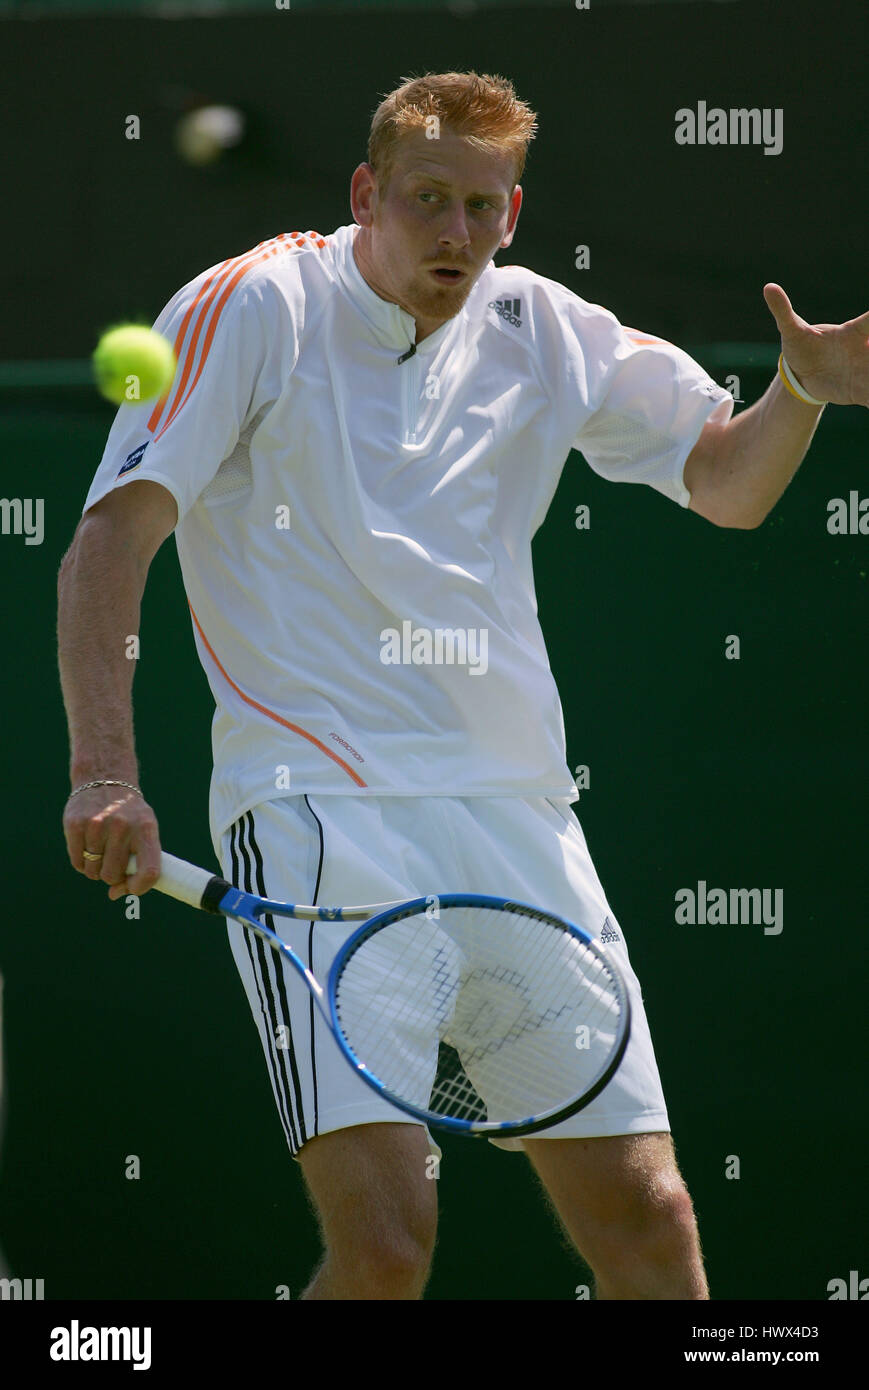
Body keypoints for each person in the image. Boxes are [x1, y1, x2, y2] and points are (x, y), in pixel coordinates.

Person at [58, 71, 868, 1300]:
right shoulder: (251, 303)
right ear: (364, 192)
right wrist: (105, 771)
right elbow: (109, 541)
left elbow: (728, 485)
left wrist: (799, 388)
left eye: (481, 208)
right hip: (318, 809)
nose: (455, 233)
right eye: (427, 199)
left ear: (513, 212)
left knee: (651, 1228)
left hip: (519, 818)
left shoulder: (541, 323)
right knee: (385, 1252)